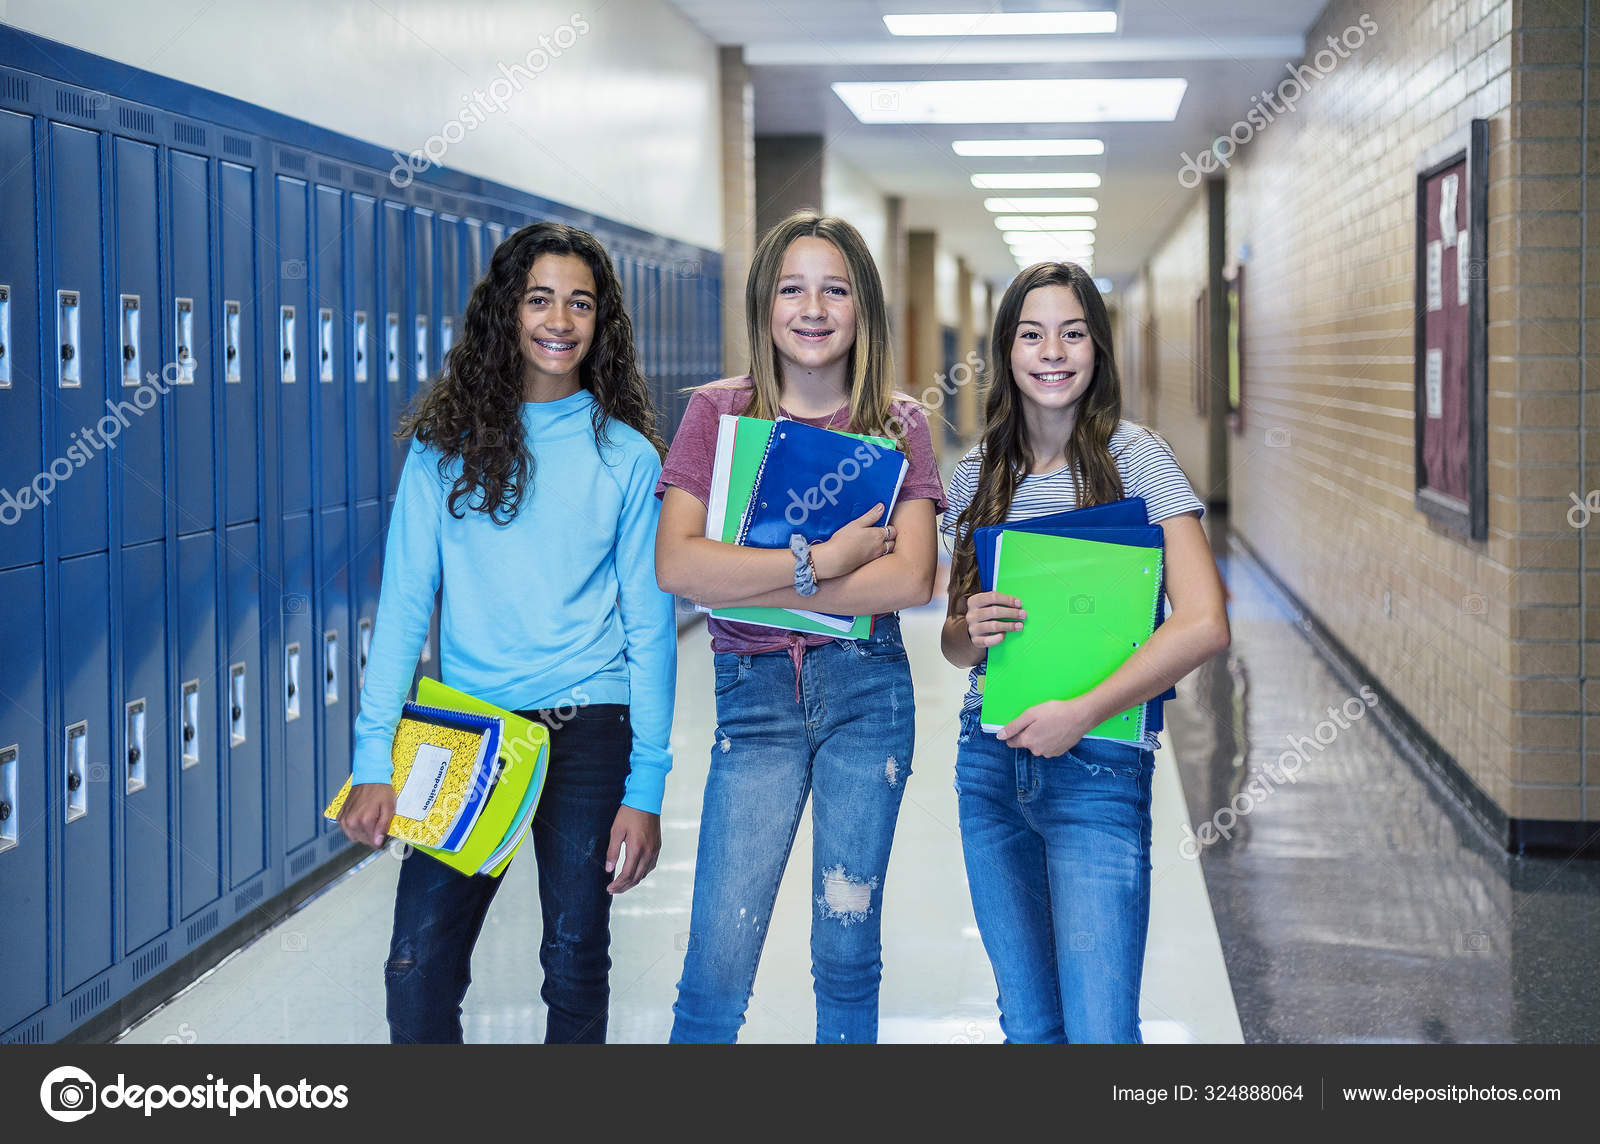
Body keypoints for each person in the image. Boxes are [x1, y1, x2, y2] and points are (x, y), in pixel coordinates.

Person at [336, 221, 677, 1044]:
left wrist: (648, 788)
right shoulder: (442, 450)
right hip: (467, 726)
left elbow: (652, 628)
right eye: (540, 299)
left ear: (602, 325)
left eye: (580, 304)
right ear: (507, 311)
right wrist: (371, 759)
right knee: (416, 964)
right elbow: (405, 608)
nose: (559, 320)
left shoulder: (627, 457)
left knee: (573, 957)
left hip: (590, 723)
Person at [654, 211, 945, 1043]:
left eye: (835, 289)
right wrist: (825, 562)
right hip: (754, 707)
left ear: (863, 308)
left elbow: (912, 579)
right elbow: (678, 567)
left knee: (846, 951)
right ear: (764, 303)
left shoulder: (896, 425)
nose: (812, 308)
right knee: (716, 960)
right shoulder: (717, 413)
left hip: (867, 698)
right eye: (791, 288)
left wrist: (746, 575)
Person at [940, 260, 1230, 1044]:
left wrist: (1084, 712)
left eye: (1073, 333)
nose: (1052, 351)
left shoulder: (1137, 458)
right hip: (991, 764)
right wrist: (975, 624)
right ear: (1006, 351)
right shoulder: (976, 474)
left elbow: (1204, 621)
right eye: (1031, 334)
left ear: (1098, 349)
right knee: (1030, 1029)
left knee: (1101, 1033)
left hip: (1099, 764)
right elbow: (956, 646)